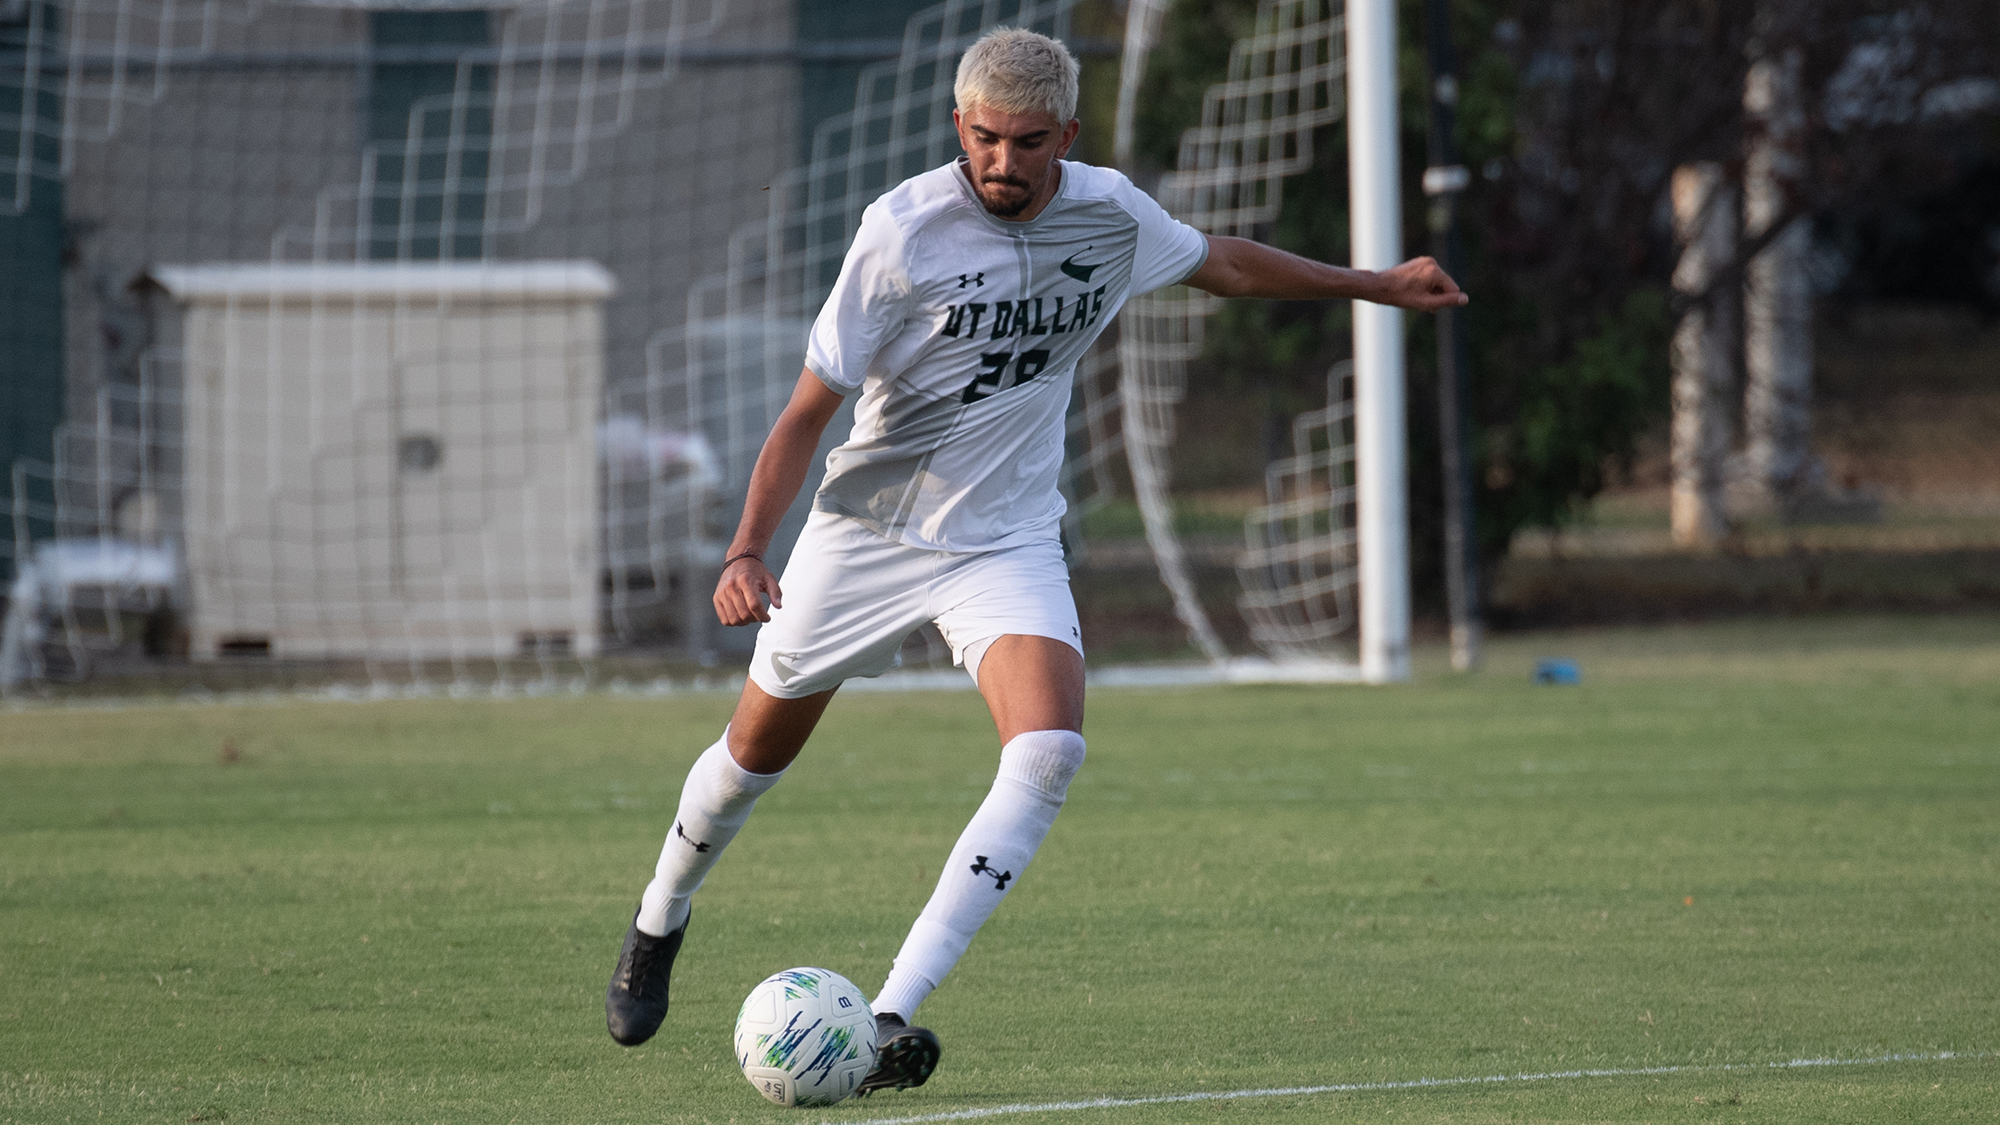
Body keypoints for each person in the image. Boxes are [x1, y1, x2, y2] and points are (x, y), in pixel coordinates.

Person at [605, 27, 1465, 1096]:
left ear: (1066, 134)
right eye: (982, 140)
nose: (1001, 164)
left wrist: (1373, 284)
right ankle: (658, 920)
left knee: (1048, 751)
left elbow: (1224, 265)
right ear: (956, 128)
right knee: (748, 761)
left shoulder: (1109, 215)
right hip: (865, 535)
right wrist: (746, 549)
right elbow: (803, 414)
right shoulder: (899, 234)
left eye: (1024, 143)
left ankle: (881, 1022)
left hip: (1002, 539)